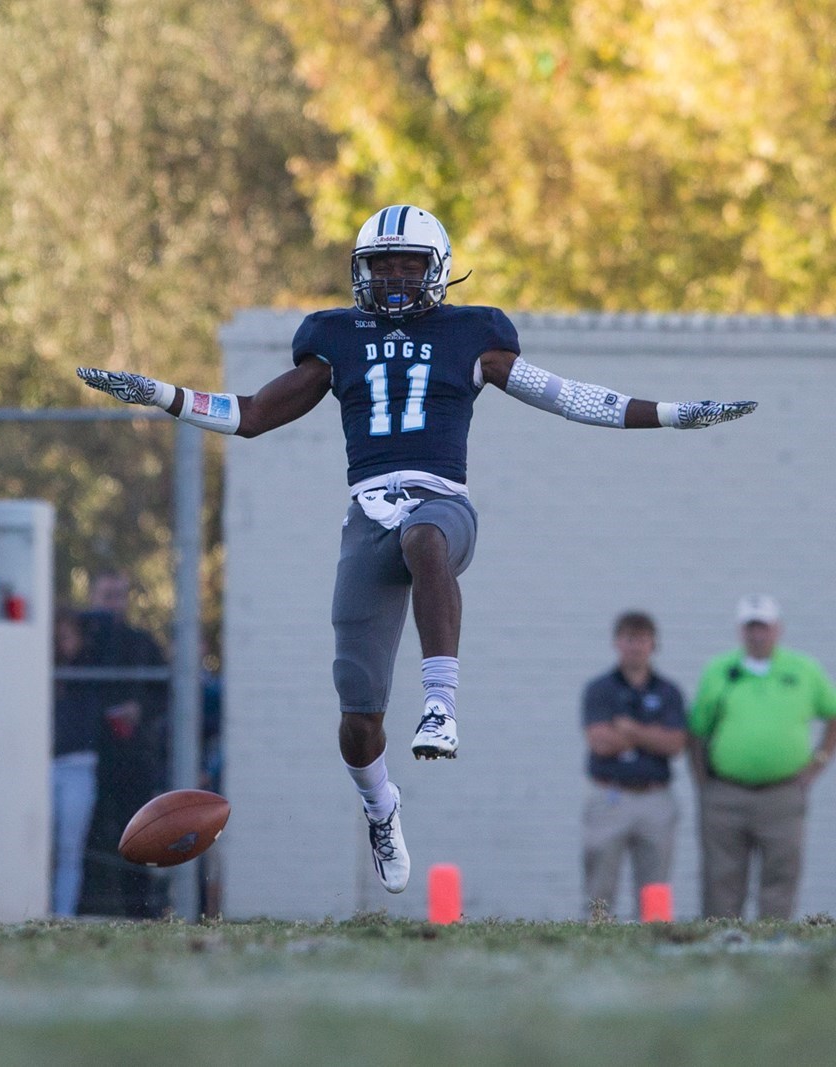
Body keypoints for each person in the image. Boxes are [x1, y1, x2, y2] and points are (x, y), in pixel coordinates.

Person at [76, 203, 757, 896]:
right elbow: (251, 414)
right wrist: (161, 394)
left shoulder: (474, 333)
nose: (396, 277)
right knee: (357, 714)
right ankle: (382, 806)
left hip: (441, 501)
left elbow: (569, 397)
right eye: (382, 263)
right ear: (360, 271)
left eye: (409, 263)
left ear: (437, 270)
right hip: (366, 515)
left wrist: (671, 414)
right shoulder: (333, 337)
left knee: (426, 536)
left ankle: (440, 704)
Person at [688, 595, 836, 920]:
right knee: (721, 879)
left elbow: (832, 714)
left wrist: (818, 762)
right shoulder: (720, 670)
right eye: (751, 628)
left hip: (781, 795)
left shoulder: (803, 669)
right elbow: (696, 730)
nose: (758, 635)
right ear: (741, 632)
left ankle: (774, 949)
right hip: (726, 794)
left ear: (778, 629)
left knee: (781, 877)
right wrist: (703, 784)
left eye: (764, 627)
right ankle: (721, 950)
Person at [580, 611, 687, 918]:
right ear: (616, 642)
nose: (635, 647)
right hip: (610, 797)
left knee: (655, 890)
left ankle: (654, 947)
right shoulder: (600, 689)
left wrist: (631, 730)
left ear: (653, 644)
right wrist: (651, 735)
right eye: (629, 639)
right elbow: (600, 742)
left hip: (655, 798)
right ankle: (595, 945)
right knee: (600, 887)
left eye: (642, 639)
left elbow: (675, 744)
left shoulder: (668, 692)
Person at [77, 569, 168, 917]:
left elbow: (164, 695)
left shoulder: (142, 643)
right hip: (91, 756)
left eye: (120, 595)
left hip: (134, 758)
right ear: (93, 598)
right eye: (107, 595)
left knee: (139, 833)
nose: (114, 603)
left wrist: (138, 709)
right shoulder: (81, 645)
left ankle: (139, 911)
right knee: (90, 836)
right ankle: (87, 909)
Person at [51, 608, 105, 917]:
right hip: (43, 766)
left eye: (68, 635)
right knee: (39, 847)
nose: (62, 642)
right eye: (58, 636)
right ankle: (35, 911)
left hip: (79, 766)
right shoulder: (40, 667)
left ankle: (63, 916)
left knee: (70, 850)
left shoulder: (90, 668)